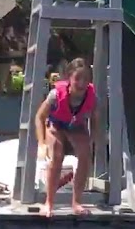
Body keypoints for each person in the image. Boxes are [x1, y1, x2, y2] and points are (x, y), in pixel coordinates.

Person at [34, 57, 99, 216]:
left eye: (86, 79)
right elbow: (39, 117)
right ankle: (49, 203)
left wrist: (92, 140)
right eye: (78, 78)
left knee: (85, 155)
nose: (82, 83)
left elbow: (96, 120)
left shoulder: (92, 97)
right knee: (56, 155)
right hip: (57, 125)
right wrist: (42, 142)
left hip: (76, 126)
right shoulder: (55, 95)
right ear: (69, 78)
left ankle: (76, 202)